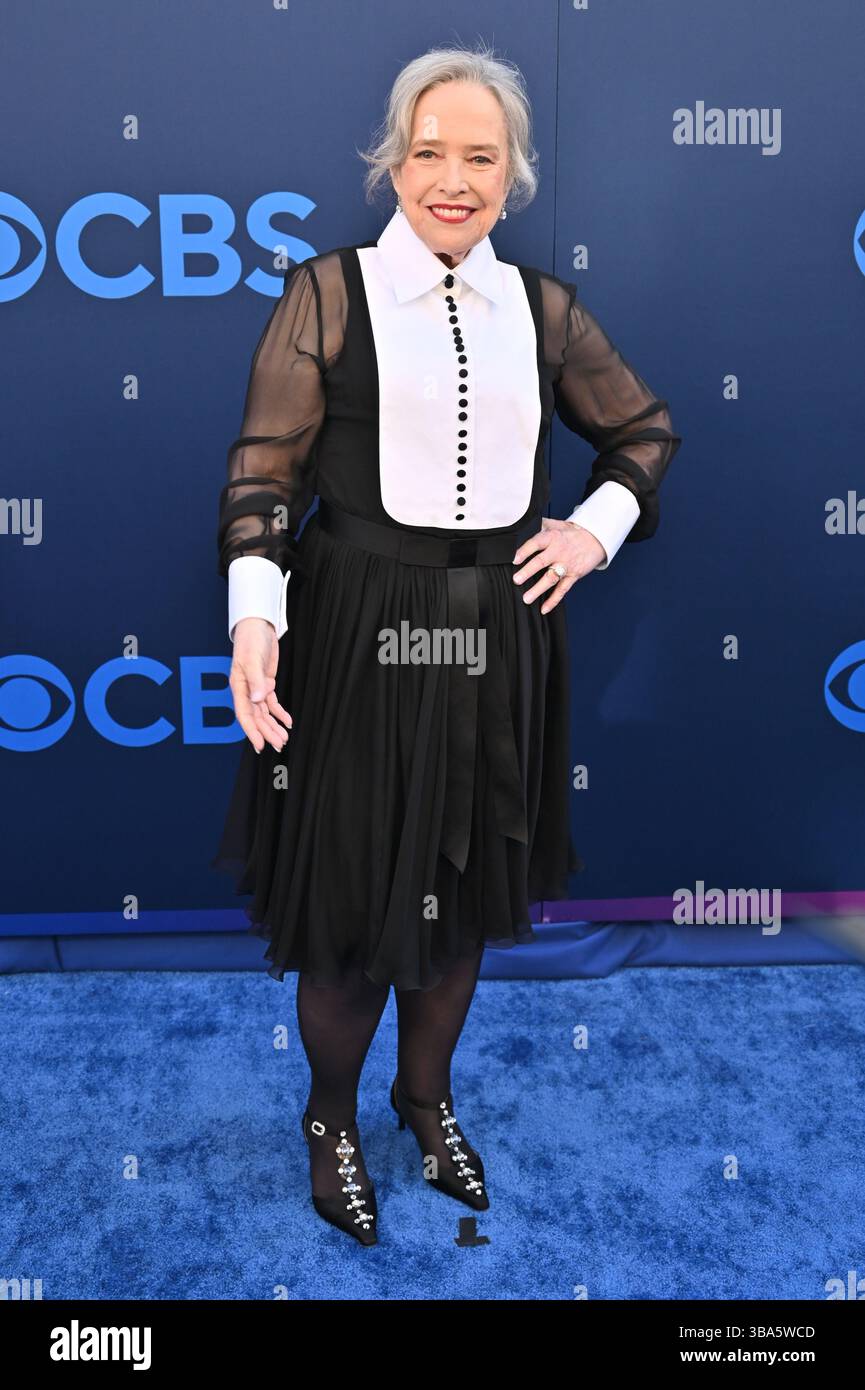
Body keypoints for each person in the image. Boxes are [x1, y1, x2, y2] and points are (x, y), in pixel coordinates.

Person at [212, 43, 681, 1247]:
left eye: (482, 155)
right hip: (362, 630)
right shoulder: (327, 292)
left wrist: (591, 531)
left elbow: (641, 434)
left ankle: (426, 1099)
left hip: (497, 638)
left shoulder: (542, 308)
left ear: (512, 172)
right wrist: (253, 615)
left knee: (461, 900)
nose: (454, 177)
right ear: (395, 163)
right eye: (431, 152)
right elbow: (264, 477)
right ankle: (331, 1118)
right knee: (357, 896)